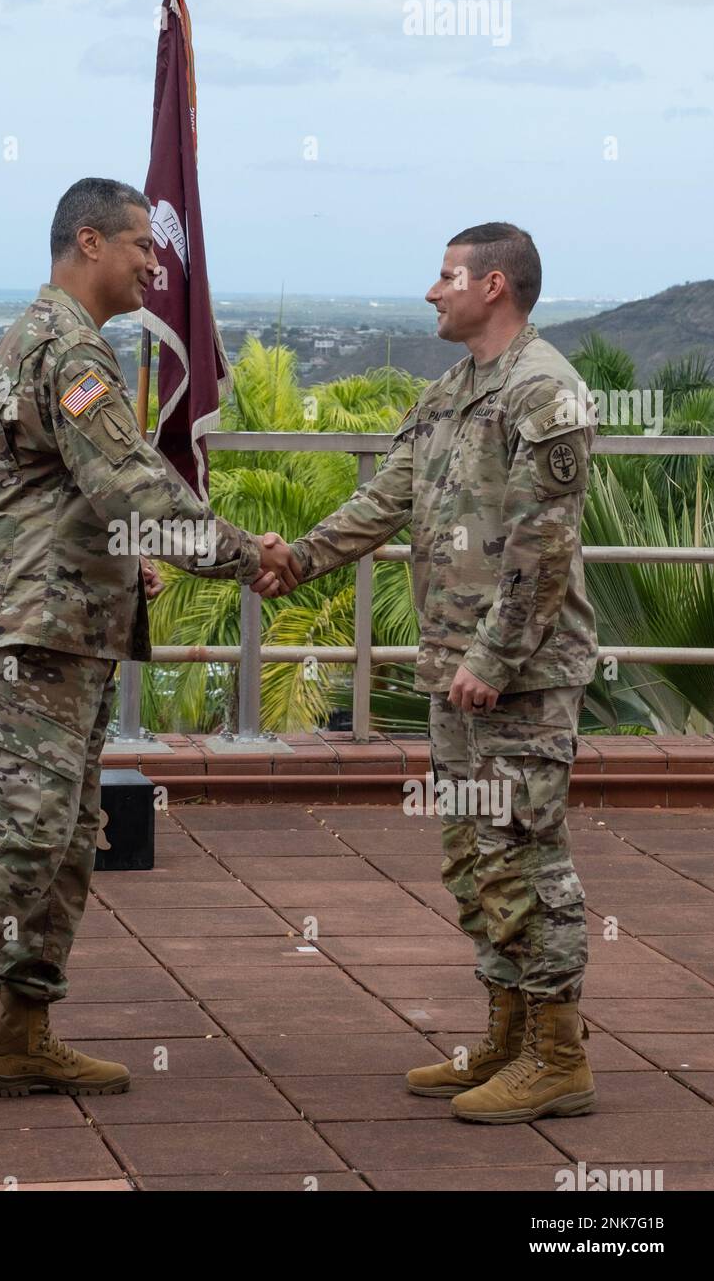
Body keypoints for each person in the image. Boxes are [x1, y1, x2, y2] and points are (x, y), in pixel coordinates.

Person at [0, 178, 300, 1117]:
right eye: (140, 250)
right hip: (25, 635)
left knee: (71, 839)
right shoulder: (69, 352)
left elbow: (65, 497)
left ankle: (22, 1033)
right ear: (89, 242)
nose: (153, 268)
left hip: (62, 626)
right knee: (29, 835)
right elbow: (130, 488)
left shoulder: (47, 343)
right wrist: (247, 557)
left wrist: (127, 569)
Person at [253, 223, 599, 1124]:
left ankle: (558, 1057)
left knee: (525, 857)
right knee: (471, 858)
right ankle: (506, 1035)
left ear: (493, 285)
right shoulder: (451, 390)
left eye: (445, 276)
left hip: (514, 677)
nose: (430, 291)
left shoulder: (545, 393)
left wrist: (493, 656)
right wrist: (298, 558)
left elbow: (542, 545)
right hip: (455, 673)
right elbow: (387, 497)